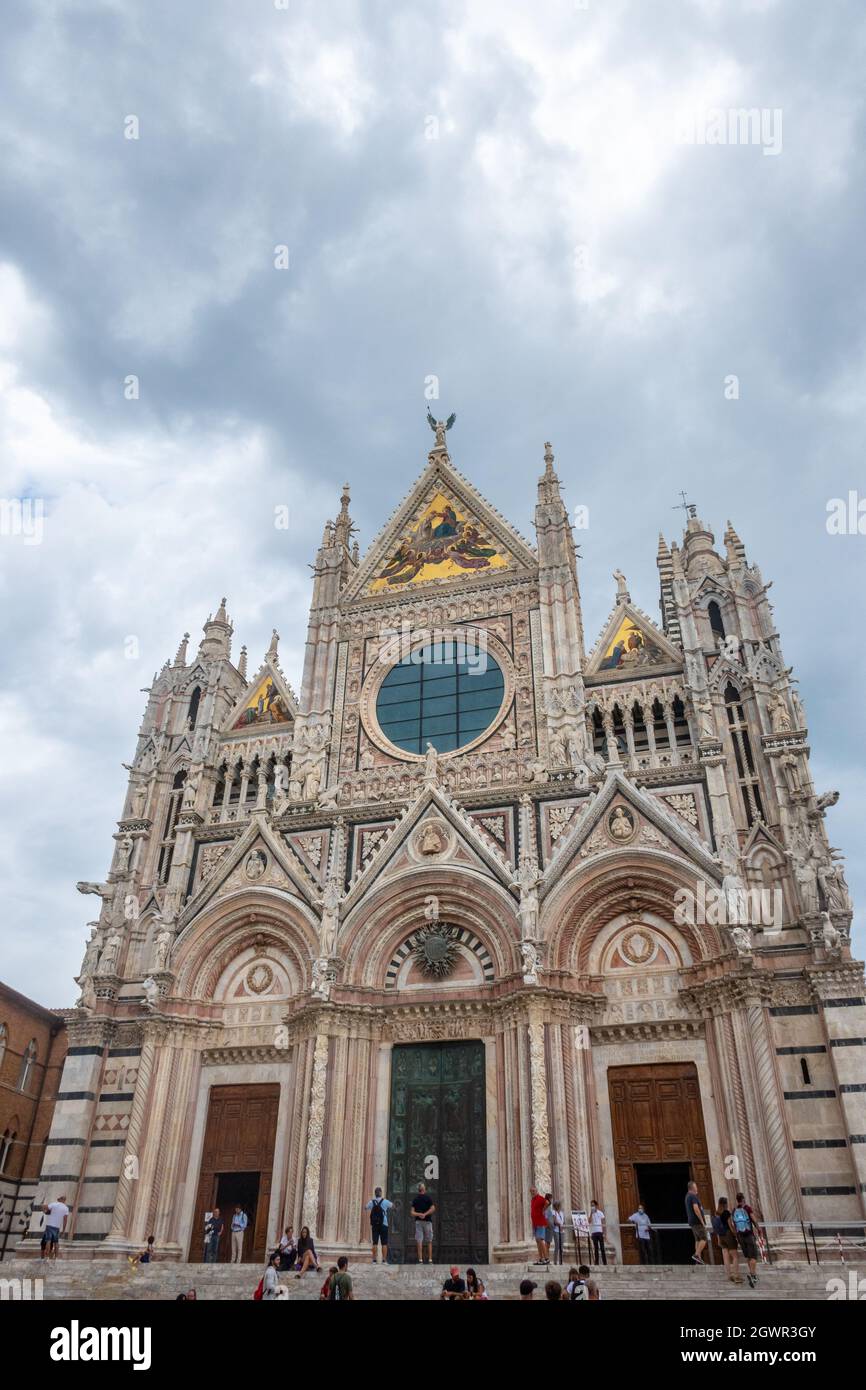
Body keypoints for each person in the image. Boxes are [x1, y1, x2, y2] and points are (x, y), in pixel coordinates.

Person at [732, 1193, 759, 1288]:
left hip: (740, 1237)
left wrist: (737, 1236)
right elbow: (754, 1219)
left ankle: (752, 1273)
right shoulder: (747, 1208)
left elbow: (734, 1224)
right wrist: (759, 1229)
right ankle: (753, 1275)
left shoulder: (734, 1210)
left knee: (748, 1256)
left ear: (737, 1200)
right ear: (743, 1199)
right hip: (748, 1235)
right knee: (754, 1257)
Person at [713, 1197, 741, 1284]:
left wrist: (718, 1239)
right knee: (735, 1256)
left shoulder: (716, 1213)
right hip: (728, 1235)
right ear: (725, 1204)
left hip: (720, 1236)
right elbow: (730, 1226)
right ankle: (736, 1275)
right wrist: (736, 1234)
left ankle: (728, 1275)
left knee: (725, 1256)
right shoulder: (726, 1213)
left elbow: (716, 1228)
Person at [365, 1186, 394, 1263]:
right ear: (381, 1193)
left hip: (375, 1225)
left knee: (375, 1243)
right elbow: (393, 1206)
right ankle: (384, 1260)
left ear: (375, 1194)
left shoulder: (372, 1202)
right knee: (384, 1243)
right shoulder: (385, 1201)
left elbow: (365, 1207)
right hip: (384, 1224)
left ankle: (374, 1260)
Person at [411, 1182, 435, 1265]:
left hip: (418, 1222)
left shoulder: (415, 1199)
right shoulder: (428, 1198)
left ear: (418, 1190)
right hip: (427, 1222)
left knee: (419, 1241)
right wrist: (425, 1214)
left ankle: (420, 1260)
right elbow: (433, 1208)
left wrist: (419, 1214)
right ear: (424, 1189)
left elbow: (412, 1212)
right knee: (429, 1241)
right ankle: (430, 1260)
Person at [685, 1182, 707, 1265]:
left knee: (697, 1239)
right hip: (697, 1221)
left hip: (692, 1222)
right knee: (703, 1238)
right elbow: (696, 1208)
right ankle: (697, 1255)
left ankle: (698, 1259)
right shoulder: (693, 1196)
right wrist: (702, 1221)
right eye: (696, 1186)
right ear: (692, 1187)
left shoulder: (687, 1196)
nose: (697, 1188)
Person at [43, 1195, 70, 1261]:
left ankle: (47, 1257)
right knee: (56, 1242)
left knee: (48, 1241)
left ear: (59, 1199)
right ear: (64, 1200)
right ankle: (56, 1257)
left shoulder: (54, 1204)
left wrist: (44, 1209)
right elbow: (65, 1220)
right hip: (57, 1227)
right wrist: (63, 1230)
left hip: (50, 1225)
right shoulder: (66, 1208)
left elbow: (45, 1207)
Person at [530, 1187, 550, 1265]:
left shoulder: (540, 1198)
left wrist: (543, 1210)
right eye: (531, 1191)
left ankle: (547, 1258)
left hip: (540, 1223)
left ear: (537, 1191)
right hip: (535, 1223)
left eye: (534, 1191)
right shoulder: (533, 1200)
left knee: (540, 1240)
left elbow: (547, 1202)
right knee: (538, 1241)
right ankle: (541, 1259)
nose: (532, 1192)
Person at [588, 1199, 607, 1265]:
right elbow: (589, 1221)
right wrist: (591, 1213)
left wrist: (604, 1232)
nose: (592, 1207)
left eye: (593, 1205)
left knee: (602, 1248)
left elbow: (603, 1222)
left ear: (596, 1205)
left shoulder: (600, 1213)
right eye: (591, 1205)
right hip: (594, 1232)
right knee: (596, 1248)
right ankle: (596, 1263)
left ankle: (605, 1263)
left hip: (599, 1232)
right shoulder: (591, 1213)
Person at [550, 1200, 565, 1265]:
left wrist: (563, 1225)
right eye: (558, 1205)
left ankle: (561, 1261)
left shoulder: (561, 1213)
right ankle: (555, 1261)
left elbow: (563, 1221)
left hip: (562, 1231)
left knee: (561, 1246)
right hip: (556, 1231)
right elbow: (554, 1221)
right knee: (557, 1246)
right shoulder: (553, 1212)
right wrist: (559, 1225)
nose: (559, 1206)